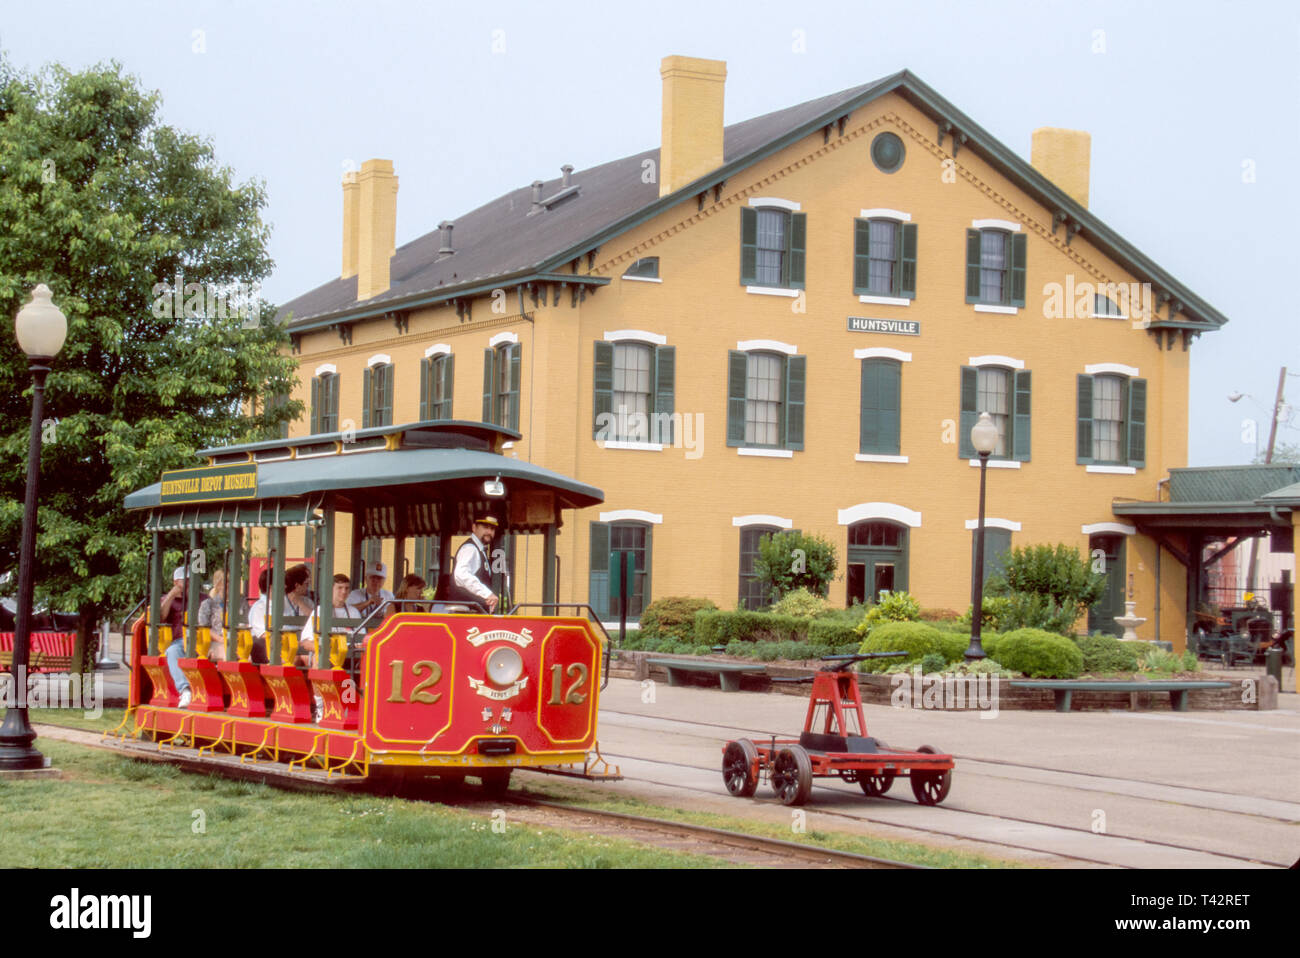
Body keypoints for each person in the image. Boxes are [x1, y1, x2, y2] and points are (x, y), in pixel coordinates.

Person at [160, 566, 192, 708]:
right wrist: (171, 595)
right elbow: (160, 617)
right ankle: (185, 690)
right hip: (178, 642)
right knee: (173, 651)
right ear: (176, 582)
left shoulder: (202, 598)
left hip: (201, 640)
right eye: (185, 581)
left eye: (191, 581)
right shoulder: (167, 600)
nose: (188, 584)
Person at [452, 515, 499, 613]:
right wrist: (487, 594)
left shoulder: (480, 550)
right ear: (474, 528)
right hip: (466, 613)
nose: (489, 532)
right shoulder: (470, 548)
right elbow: (461, 574)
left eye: (492, 529)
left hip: (474, 613)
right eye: (485, 527)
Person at [197, 569, 226, 662]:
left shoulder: (241, 604)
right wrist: (221, 639)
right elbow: (204, 627)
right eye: (227, 582)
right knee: (228, 654)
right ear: (218, 584)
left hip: (236, 642)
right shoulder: (208, 604)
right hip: (214, 642)